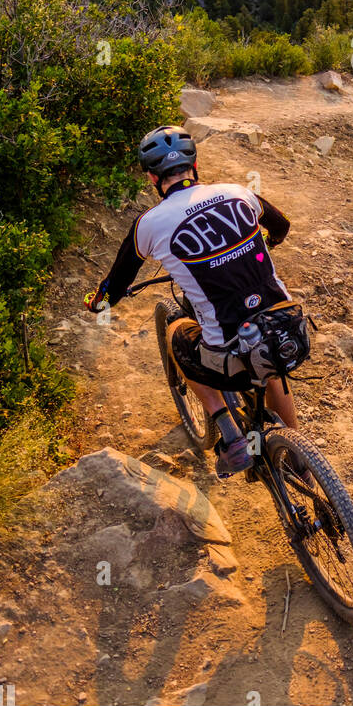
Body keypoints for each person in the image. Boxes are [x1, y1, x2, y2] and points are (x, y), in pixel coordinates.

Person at [84, 124, 297, 479]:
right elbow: (282, 226)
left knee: (175, 333)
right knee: (269, 367)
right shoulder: (238, 192)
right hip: (288, 326)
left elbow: (116, 285)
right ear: (194, 164)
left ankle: (230, 436)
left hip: (228, 350)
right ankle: (300, 462)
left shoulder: (148, 224)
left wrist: (96, 303)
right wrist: (265, 245)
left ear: (152, 177)